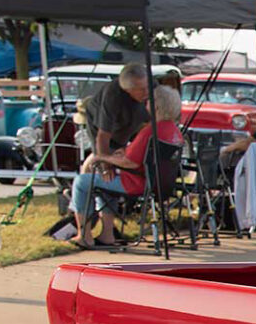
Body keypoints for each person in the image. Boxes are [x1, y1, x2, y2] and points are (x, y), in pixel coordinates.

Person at [70, 85, 183, 249]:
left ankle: (84, 235)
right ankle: (106, 235)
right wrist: (123, 152)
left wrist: (101, 157)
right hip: (160, 184)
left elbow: (131, 163)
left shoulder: (150, 131)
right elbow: (140, 156)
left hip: (136, 183)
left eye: (148, 100)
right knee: (105, 180)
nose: (145, 103)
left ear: (156, 105)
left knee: (82, 182)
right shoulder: (174, 131)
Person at [82, 63, 150, 165]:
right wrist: (105, 165)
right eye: (141, 89)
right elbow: (103, 136)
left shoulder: (152, 86)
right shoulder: (113, 97)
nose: (147, 92)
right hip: (104, 128)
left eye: (147, 86)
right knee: (106, 158)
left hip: (132, 123)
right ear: (128, 90)